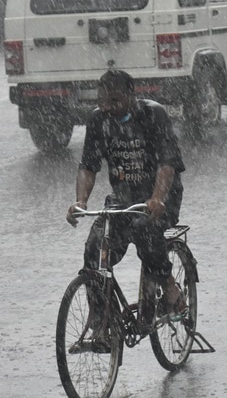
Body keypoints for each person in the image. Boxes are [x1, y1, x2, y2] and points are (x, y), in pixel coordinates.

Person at [66, 69, 188, 326]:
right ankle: (100, 318)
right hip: (123, 200)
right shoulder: (98, 121)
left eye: (115, 100)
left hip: (162, 196)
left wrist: (157, 198)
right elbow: (88, 166)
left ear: (132, 95)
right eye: (103, 101)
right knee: (94, 249)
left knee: (144, 231)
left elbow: (167, 164)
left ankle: (169, 287)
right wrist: (81, 201)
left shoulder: (153, 114)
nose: (108, 107)